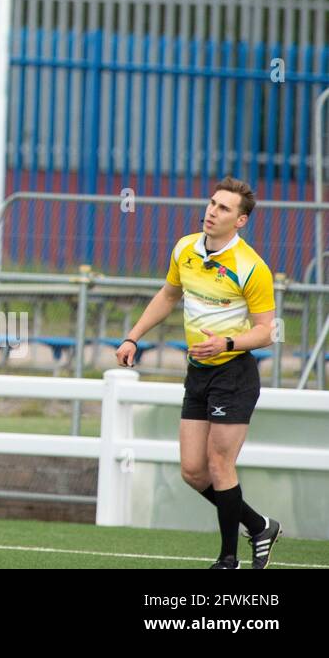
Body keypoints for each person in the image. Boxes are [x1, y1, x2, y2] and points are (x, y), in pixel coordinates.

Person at [116, 177, 282, 570]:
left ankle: (228, 559)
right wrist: (132, 337)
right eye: (212, 203)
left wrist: (225, 343)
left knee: (219, 464)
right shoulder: (185, 248)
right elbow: (169, 295)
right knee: (193, 471)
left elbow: (266, 332)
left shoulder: (252, 268)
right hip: (198, 372)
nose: (212, 211)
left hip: (234, 373)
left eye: (224, 208)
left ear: (240, 220)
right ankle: (259, 525)